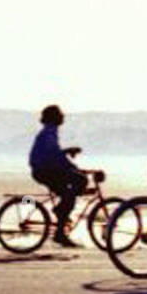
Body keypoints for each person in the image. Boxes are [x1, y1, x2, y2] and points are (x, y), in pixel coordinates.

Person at [29, 105, 88, 247]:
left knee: (72, 189)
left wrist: (69, 159)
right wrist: (73, 166)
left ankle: (61, 214)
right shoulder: (49, 132)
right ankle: (60, 227)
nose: (63, 116)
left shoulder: (50, 131)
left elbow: (56, 155)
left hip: (46, 169)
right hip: (45, 170)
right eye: (60, 114)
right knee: (78, 184)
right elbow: (54, 156)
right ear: (54, 118)